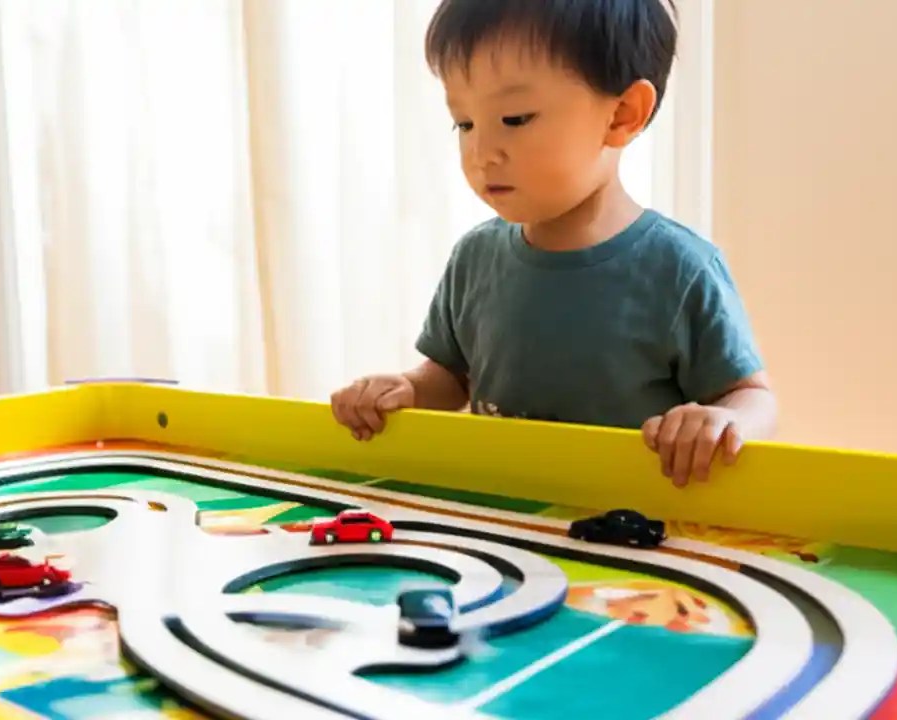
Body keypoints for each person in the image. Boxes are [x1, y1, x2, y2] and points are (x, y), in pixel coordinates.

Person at [330, 0, 776, 488]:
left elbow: (754, 399)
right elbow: (451, 378)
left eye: (516, 119)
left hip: (629, 528)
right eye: (464, 123)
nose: (482, 153)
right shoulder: (475, 257)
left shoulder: (681, 268)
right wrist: (405, 389)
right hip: (506, 518)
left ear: (622, 115)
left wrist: (726, 421)